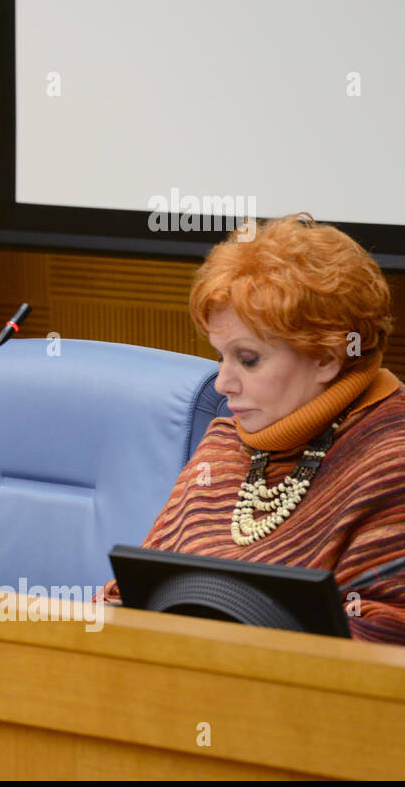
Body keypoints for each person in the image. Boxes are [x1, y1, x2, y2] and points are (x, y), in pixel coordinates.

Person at [102, 215, 405, 644]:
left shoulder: (393, 458)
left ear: (327, 356)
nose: (223, 382)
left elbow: (384, 638)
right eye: (220, 356)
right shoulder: (227, 442)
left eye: (247, 359)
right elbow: (136, 594)